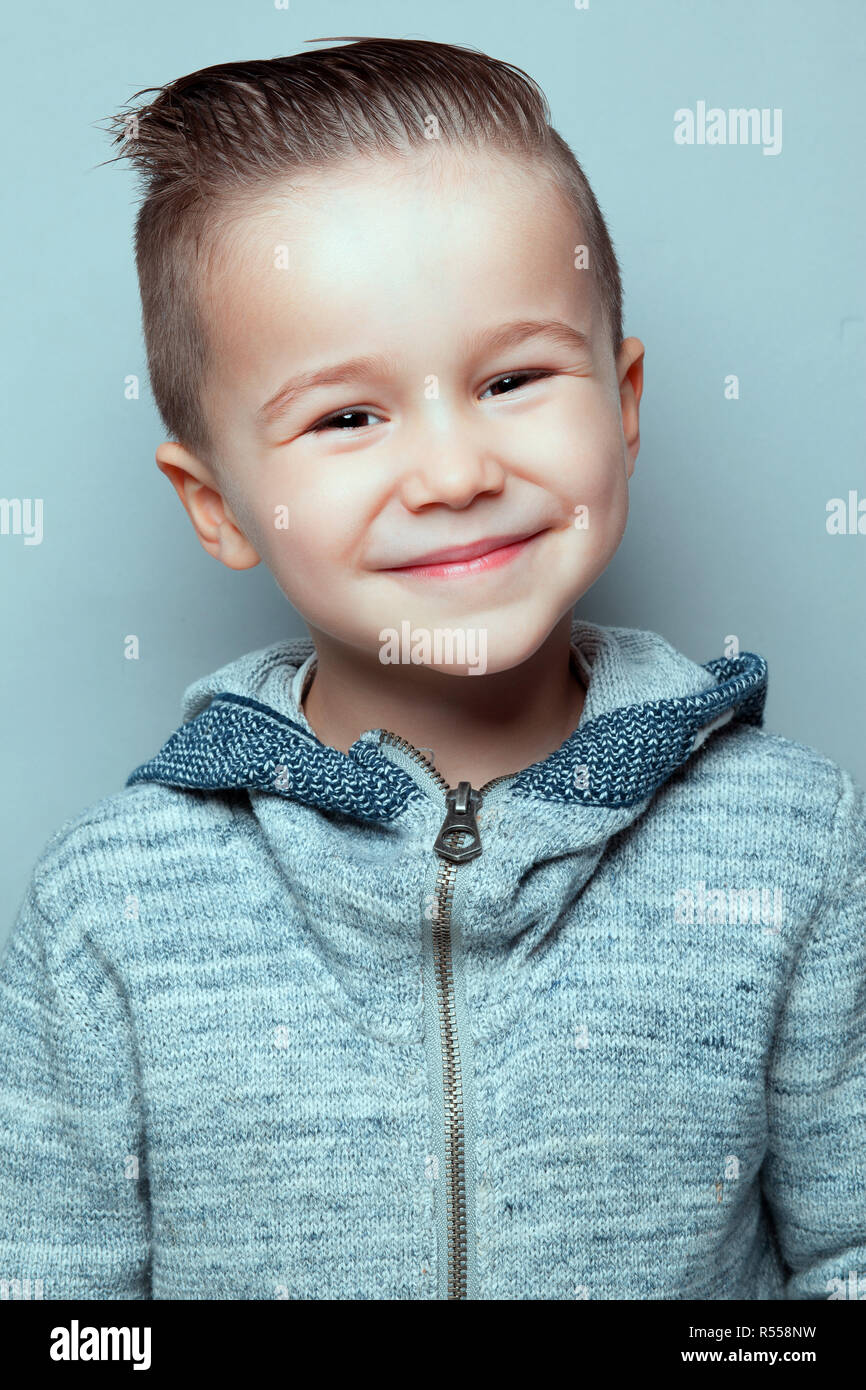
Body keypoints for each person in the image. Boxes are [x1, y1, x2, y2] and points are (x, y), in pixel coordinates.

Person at [1, 37, 863, 1301]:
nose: (456, 473)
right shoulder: (110, 906)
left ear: (621, 405)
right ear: (218, 503)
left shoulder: (792, 845)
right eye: (345, 418)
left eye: (513, 379)